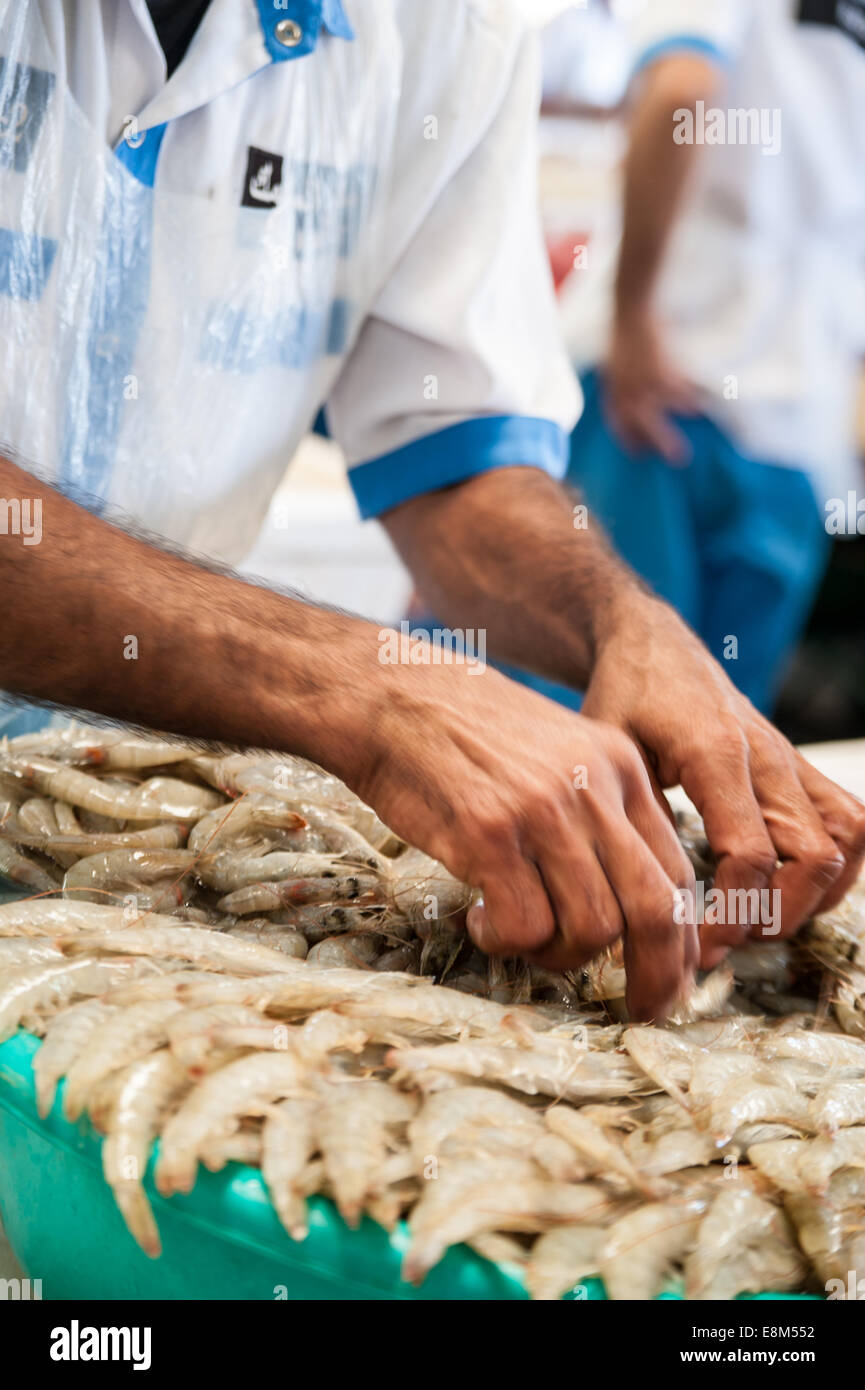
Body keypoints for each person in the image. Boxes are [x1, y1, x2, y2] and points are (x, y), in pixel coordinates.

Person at [0, 0, 862, 1022]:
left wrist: (621, 623)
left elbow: (453, 459)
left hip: (134, 808)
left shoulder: (449, 29)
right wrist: (351, 684)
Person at [546, 0, 865, 715]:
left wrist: (633, 316)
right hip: (795, 418)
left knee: (581, 713)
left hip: (667, 381)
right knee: (719, 736)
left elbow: (681, 90)